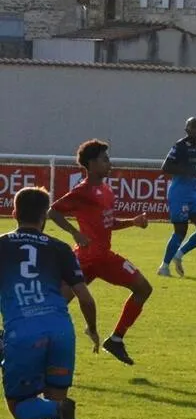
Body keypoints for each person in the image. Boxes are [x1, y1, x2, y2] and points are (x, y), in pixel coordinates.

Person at [1, 187, 100, 419]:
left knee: (20, 407)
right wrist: (93, 329)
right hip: (61, 330)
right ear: (45, 216)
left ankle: (59, 409)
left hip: (24, 332)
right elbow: (85, 297)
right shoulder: (60, 248)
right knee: (58, 394)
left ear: (14, 213)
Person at [48, 139, 152, 365]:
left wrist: (132, 222)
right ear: (91, 164)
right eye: (105, 159)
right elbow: (53, 212)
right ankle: (26, 344)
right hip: (87, 259)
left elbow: (109, 222)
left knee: (143, 288)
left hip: (103, 257)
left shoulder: (105, 191)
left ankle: (115, 340)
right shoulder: (83, 191)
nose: (110, 163)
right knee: (54, 306)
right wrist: (75, 233)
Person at [158, 116, 196, 277]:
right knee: (181, 230)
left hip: (193, 193)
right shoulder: (180, 146)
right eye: (193, 126)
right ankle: (164, 266)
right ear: (186, 129)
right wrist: (186, 170)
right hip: (179, 193)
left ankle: (178, 254)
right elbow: (165, 167)